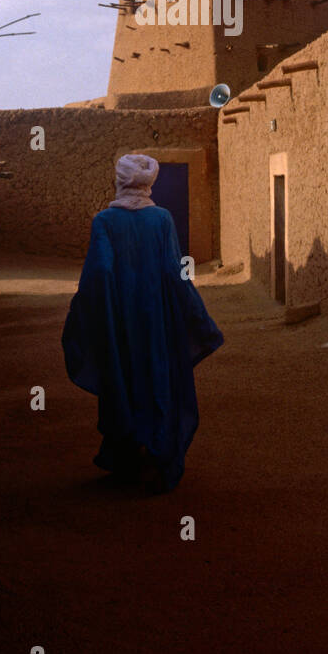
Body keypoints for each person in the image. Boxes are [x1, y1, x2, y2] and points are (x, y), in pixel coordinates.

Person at [62, 152, 224, 493]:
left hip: (119, 318)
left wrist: (90, 310)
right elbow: (174, 271)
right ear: (148, 183)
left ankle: (126, 459)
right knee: (157, 381)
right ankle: (157, 456)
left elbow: (100, 271)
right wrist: (197, 317)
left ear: (120, 180)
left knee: (122, 379)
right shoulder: (162, 219)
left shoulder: (104, 221)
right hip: (156, 321)